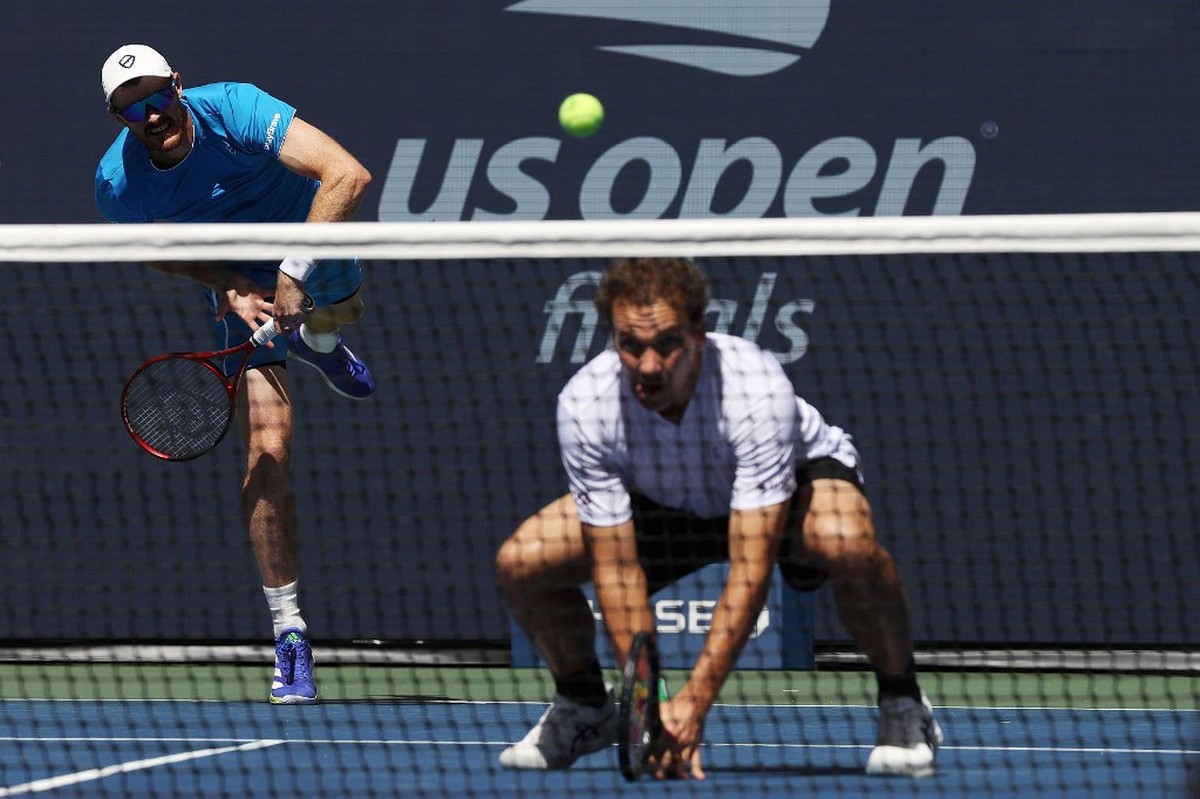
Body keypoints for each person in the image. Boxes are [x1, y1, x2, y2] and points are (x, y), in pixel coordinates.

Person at [495, 257, 942, 779]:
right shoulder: (585, 404)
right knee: (524, 560)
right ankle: (586, 705)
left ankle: (902, 703)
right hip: (664, 504)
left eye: (666, 343)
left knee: (845, 541)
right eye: (631, 345)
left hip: (794, 492)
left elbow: (750, 570)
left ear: (698, 337)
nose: (648, 364)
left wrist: (694, 706)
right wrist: (650, 705)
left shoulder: (753, 388)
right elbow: (618, 572)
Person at [95, 44, 375, 704]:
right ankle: (290, 634)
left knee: (346, 311)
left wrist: (293, 271)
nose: (152, 115)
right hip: (242, 290)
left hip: (309, 246)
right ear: (117, 117)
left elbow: (348, 176)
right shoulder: (118, 183)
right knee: (267, 456)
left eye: (159, 96)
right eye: (132, 108)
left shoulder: (237, 110)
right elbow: (157, 253)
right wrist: (225, 285)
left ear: (179, 86)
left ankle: (322, 342)